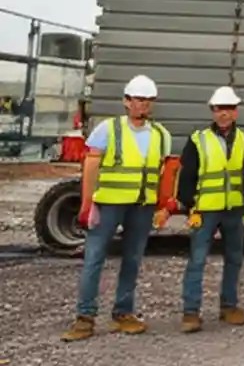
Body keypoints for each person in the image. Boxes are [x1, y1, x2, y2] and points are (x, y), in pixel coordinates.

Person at [62, 74, 172, 342]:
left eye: (147, 100)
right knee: (94, 258)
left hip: (142, 206)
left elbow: (167, 171)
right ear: (126, 101)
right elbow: (91, 166)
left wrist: (164, 205)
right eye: (138, 100)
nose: (142, 105)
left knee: (133, 259)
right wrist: (88, 204)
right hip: (109, 204)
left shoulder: (161, 134)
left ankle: (124, 312)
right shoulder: (108, 130)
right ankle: (85, 317)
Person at [177, 86, 244, 333]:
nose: (224, 114)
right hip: (205, 210)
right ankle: (191, 312)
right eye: (219, 109)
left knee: (234, 259)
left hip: (233, 210)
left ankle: (229, 307)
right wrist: (190, 206)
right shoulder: (198, 140)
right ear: (213, 111)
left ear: (236, 113)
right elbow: (186, 175)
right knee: (197, 261)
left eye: (229, 109)